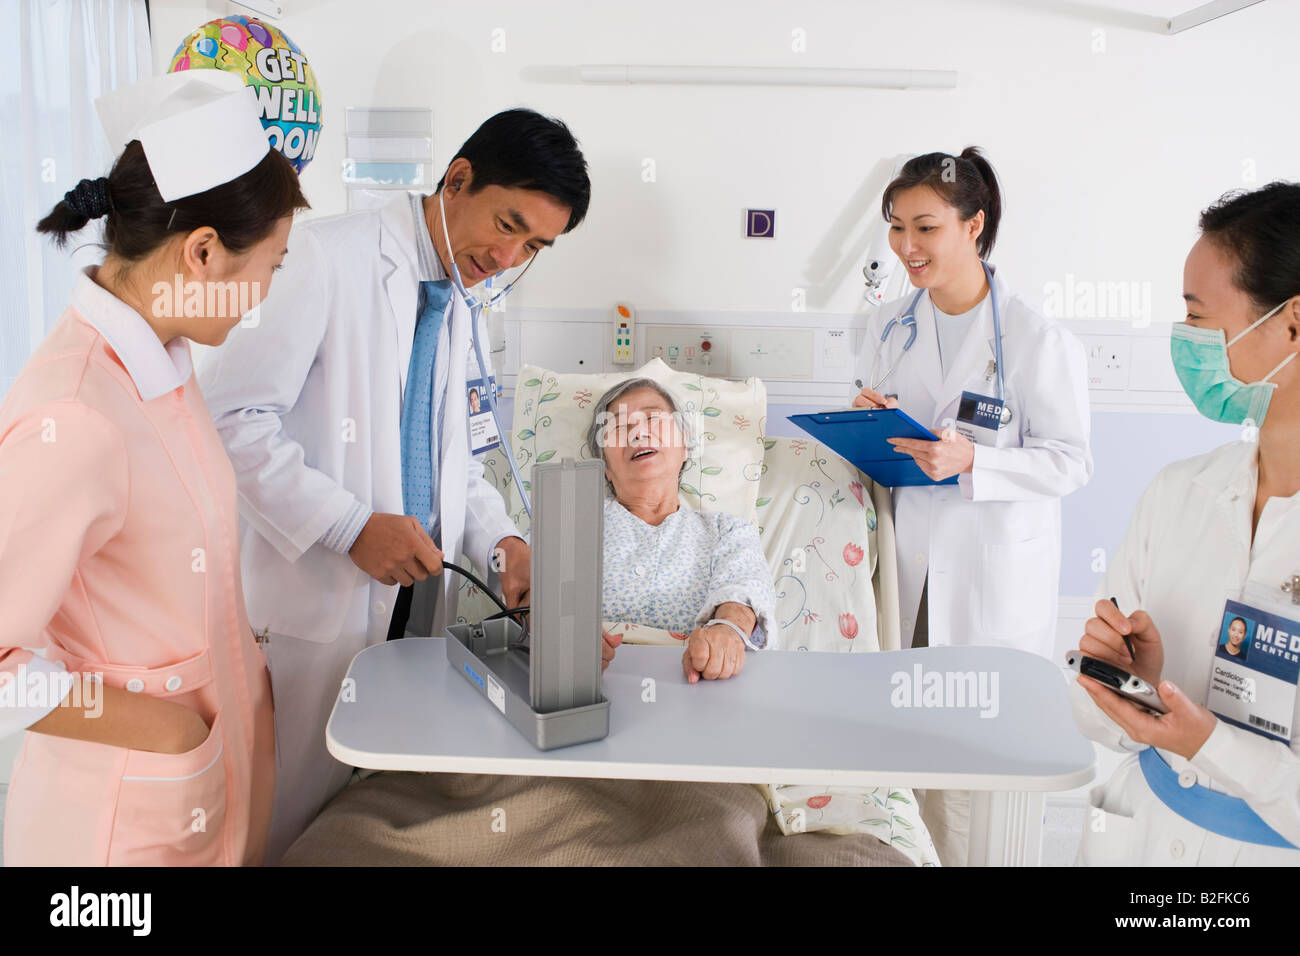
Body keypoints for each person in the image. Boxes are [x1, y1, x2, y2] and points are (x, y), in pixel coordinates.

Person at [195, 108, 591, 861]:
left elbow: (461, 465)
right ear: (458, 178)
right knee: (274, 822)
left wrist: (505, 542)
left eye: (533, 246)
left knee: (362, 823)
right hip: (312, 601)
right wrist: (348, 526)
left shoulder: (463, 308)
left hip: (413, 608)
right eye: (506, 224)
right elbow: (231, 419)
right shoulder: (321, 257)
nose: (508, 255)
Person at [0, 70, 307, 865]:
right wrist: (166, 729)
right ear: (204, 252)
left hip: (201, 793)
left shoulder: (162, 363)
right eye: (271, 266)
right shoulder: (76, 415)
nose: (263, 298)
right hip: (117, 831)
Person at [1071, 182, 1300, 865]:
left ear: (1292, 325)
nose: (1186, 342)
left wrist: (1207, 744)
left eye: (1198, 318)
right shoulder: (1178, 495)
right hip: (1139, 837)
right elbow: (1094, 716)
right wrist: (1129, 687)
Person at [851, 147, 1092, 658]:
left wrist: (975, 461)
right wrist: (863, 422)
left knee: (986, 721)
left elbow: (1070, 464)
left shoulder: (1037, 340)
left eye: (925, 228)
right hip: (908, 561)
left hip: (994, 571)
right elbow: (874, 446)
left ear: (972, 224)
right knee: (904, 712)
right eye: (896, 227)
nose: (906, 246)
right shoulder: (887, 326)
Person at [586, 378, 777, 681]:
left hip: (698, 687)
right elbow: (529, 597)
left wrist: (727, 630)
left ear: (685, 445)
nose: (639, 432)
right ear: (605, 466)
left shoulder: (727, 531)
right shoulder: (569, 527)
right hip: (587, 688)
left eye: (653, 418)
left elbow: (743, 589)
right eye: (620, 427)